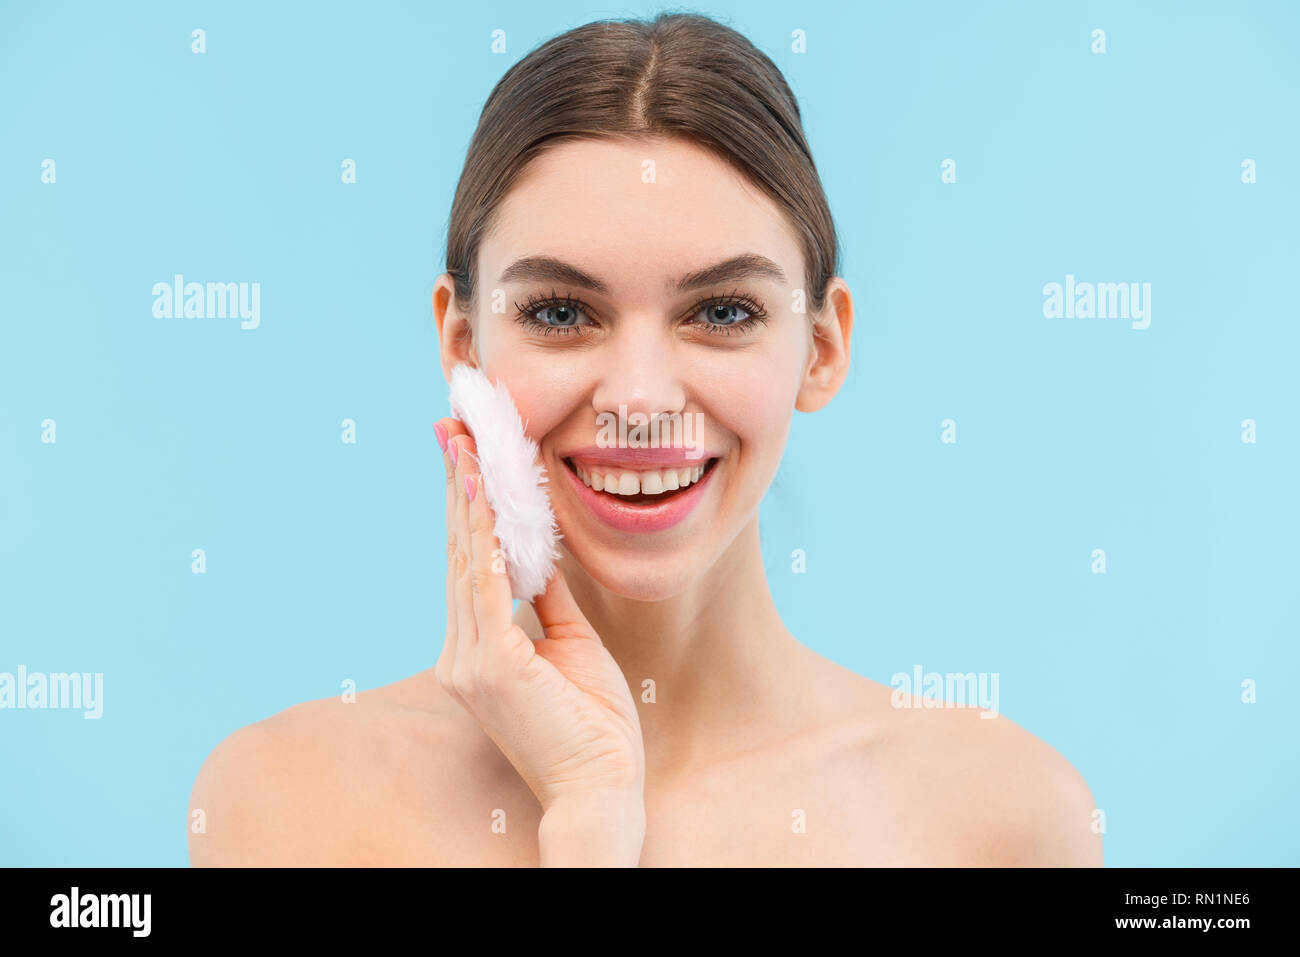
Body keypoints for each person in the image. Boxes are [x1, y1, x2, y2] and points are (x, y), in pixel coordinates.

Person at [189, 11, 1101, 867]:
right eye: (559, 312)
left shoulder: (1002, 817)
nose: (637, 400)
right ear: (461, 345)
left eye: (723, 311)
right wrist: (588, 810)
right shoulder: (285, 801)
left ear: (822, 348)